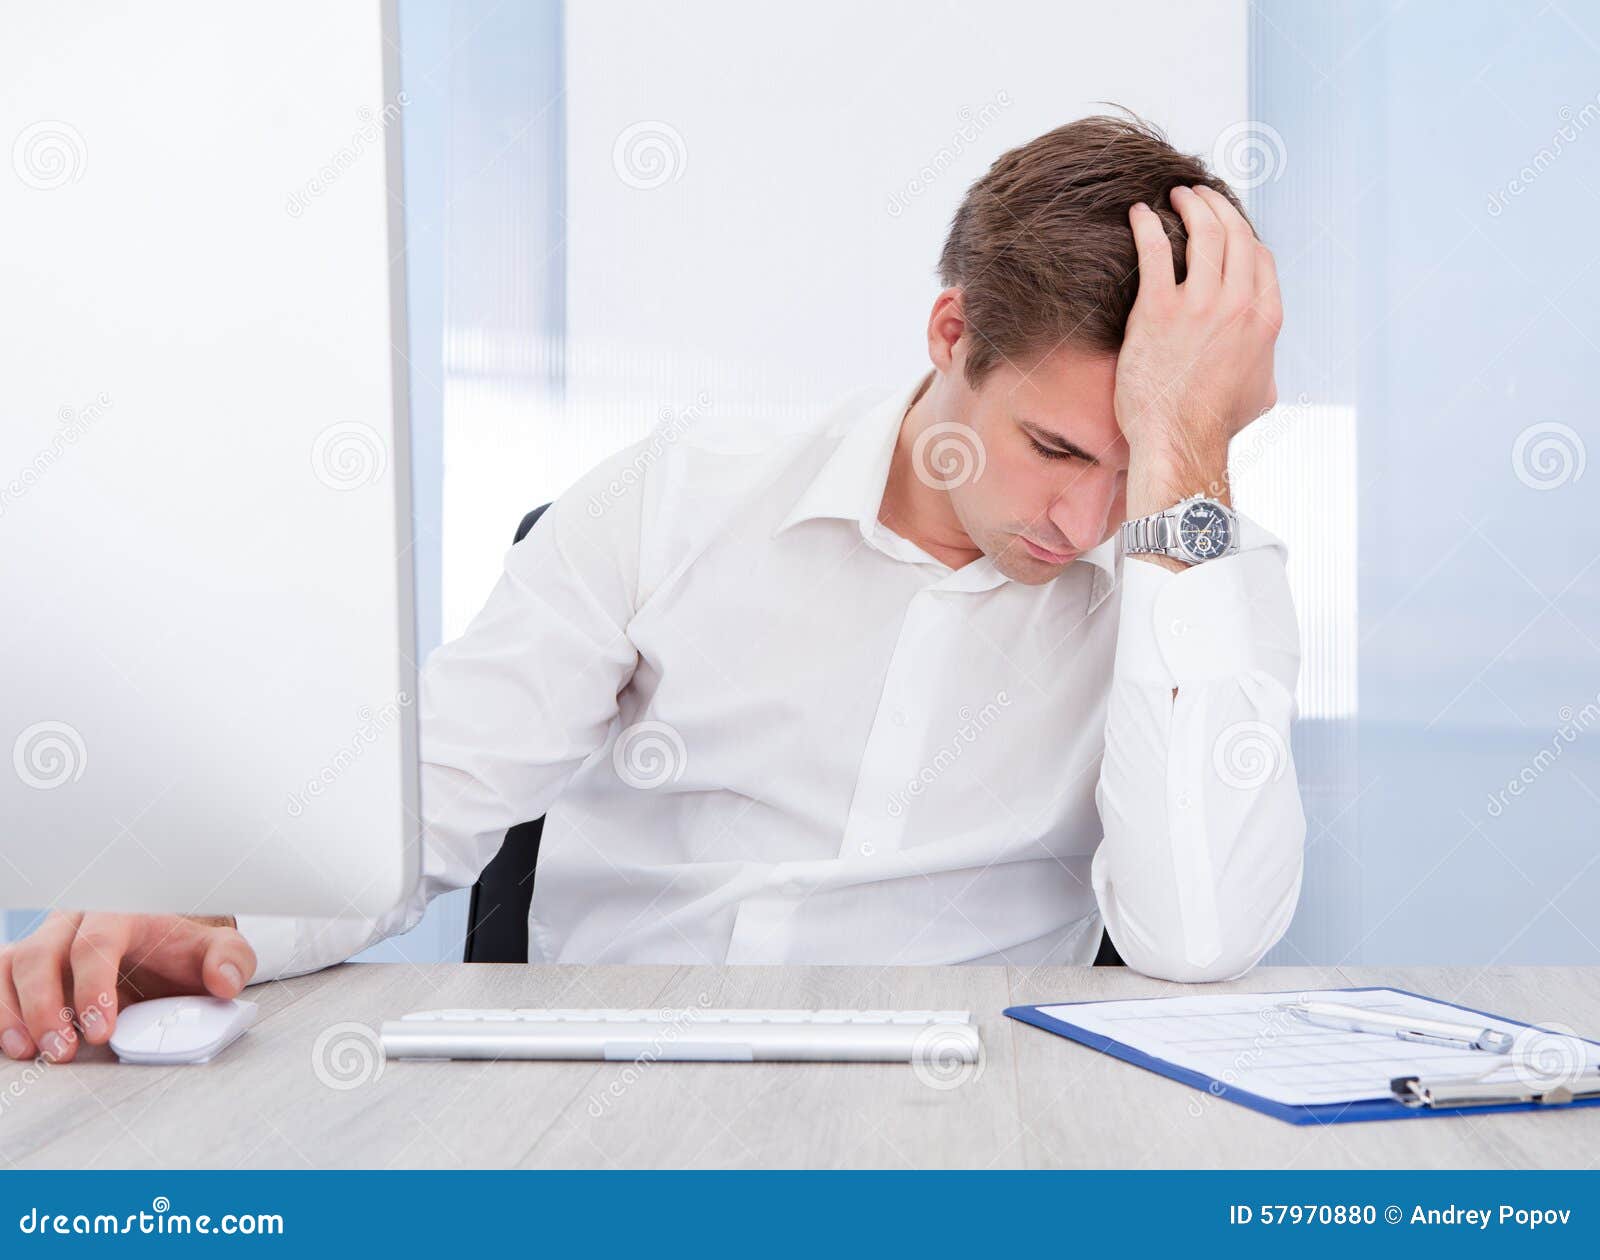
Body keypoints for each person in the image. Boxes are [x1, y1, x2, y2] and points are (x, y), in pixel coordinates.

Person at [1, 114, 1303, 1065]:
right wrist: (200, 909)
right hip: (610, 1093)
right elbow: (427, 803)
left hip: (956, 1113)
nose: (1088, 523)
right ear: (952, 335)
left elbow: (1196, 938)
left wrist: (1183, 464)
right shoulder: (676, 499)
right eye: (1058, 449)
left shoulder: (1190, 573)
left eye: (1137, 467)